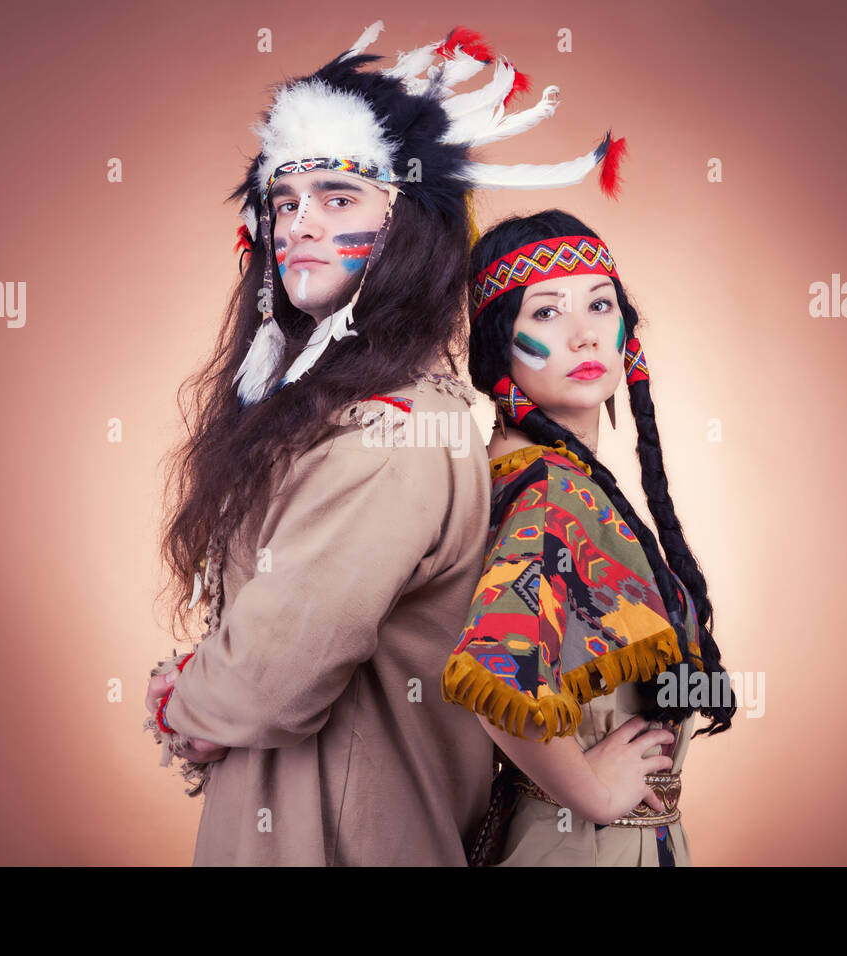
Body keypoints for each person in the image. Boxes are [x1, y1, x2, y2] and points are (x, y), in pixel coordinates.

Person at [142, 23, 629, 865]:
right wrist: (206, 690)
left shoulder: (392, 431)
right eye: (284, 201)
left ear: (405, 226)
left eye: (339, 197)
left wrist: (186, 704)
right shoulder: (345, 409)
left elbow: (272, 676)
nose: (300, 224)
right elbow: (280, 625)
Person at [442, 210, 738, 866]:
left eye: (600, 305)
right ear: (498, 348)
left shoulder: (553, 477)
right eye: (545, 313)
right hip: (582, 844)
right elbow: (499, 670)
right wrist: (596, 792)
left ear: (626, 333)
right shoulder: (547, 490)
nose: (583, 335)